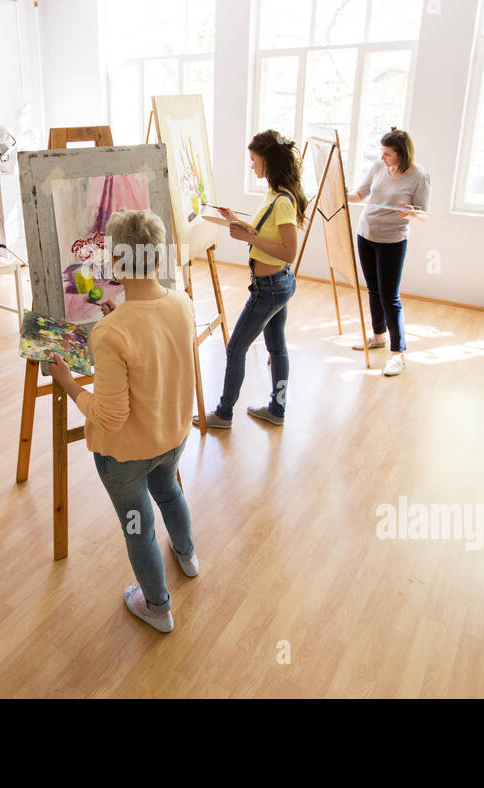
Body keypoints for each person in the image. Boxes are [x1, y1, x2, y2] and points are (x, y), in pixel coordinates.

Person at [49, 209, 198, 633]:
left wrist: (68, 384)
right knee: (169, 492)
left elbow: (111, 417)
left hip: (128, 455)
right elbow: (155, 348)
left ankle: (158, 607)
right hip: (173, 436)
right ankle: (187, 557)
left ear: (115, 261)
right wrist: (122, 315)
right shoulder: (183, 304)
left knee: (139, 528)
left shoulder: (111, 332)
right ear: (157, 257)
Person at [195, 129, 308, 428]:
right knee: (277, 347)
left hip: (270, 288)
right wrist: (235, 219)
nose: (251, 165)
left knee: (235, 348)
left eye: (253, 159)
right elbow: (263, 233)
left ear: (267, 160)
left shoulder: (282, 201)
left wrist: (248, 237)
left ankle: (223, 414)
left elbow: (288, 252)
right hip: (277, 285)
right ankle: (277, 410)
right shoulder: (274, 193)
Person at [347, 127, 430, 377]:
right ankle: (378, 336)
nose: (382, 158)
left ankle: (398, 353)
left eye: (388, 154)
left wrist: (411, 213)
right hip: (366, 234)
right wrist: (337, 193)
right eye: (381, 152)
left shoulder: (419, 176)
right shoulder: (378, 167)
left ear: (402, 154)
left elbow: (422, 215)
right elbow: (359, 194)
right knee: (373, 290)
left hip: (392, 240)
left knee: (390, 297)